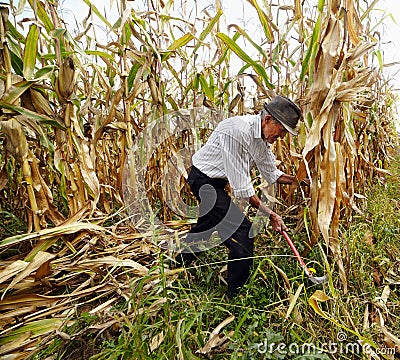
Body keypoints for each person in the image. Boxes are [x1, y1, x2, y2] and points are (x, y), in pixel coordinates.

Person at [176, 95, 302, 298]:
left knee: (207, 227)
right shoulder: (236, 131)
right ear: (268, 120)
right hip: (203, 181)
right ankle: (235, 296)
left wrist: (303, 180)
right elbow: (243, 190)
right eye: (281, 132)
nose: (281, 137)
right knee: (242, 233)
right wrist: (271, 215)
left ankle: (177, 264)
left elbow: (273, 174)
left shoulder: (261, 141)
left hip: (216, 183)